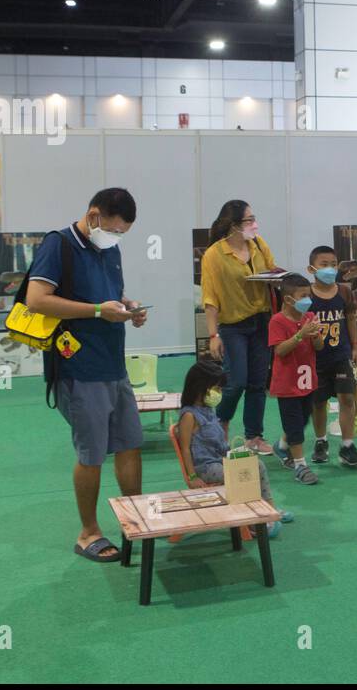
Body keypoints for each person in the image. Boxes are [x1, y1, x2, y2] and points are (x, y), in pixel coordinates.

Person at [25, 188, 148, 563]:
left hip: (113, 363)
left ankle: (136, 518)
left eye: (123, 233)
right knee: (92, 452)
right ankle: (88, 533)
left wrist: (129, 307)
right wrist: (97, 311)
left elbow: (113, 294)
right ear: (93, 215)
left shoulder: (110, 249)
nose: (116, 237)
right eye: (113, 229)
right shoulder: (58, 244)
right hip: (77, 367)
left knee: (129, 443)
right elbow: (37, 299)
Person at [176, 359, 292, 537]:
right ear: (200, 386)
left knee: (257, 465)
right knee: (240, 475)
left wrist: (239, 454)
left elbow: (220, 444)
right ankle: (252, 521)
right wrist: (192, 477)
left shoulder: (209, 410)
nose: (219, 392)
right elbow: (185, 449)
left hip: (221, 460)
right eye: (216, 388)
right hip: (206, 467)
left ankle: (269, 509)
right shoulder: (189, 416)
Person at [199, 199, 278, 453]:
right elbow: (209, 298)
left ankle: (254, 436)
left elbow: (272, 270)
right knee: (236, 381)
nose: (254, 224)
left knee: (257, 382)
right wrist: (213, 334)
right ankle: (219, 422)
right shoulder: (214, 255)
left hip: (262, 321)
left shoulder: (258, 244)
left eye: (254, 219)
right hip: (233, 326)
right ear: (233, 225)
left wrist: (277, 278)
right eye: (248, 220)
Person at [306, 246, 357, 467]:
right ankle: (321, 441)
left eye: (333, 264)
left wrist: (355, 347)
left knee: (347, 399)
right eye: (324, 264)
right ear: (312, 268)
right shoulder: (306, 295)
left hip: (341, 355)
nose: (329, 269)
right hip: (316, 359)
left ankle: (348, 445)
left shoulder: (344, 292)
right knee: (318, 402)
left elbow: (350, 319)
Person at [269, 274, 324, 485]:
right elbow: (280, 350)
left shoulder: (309, 316)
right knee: (294, 424)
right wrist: (300, 335)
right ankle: (301, 465)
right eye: (303, 296)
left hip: (307, 381)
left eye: (308, 296)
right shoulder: (277, 321)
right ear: (288, 299)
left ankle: (282, 446)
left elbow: (319, 347)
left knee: (303, 420)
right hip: (287, 384)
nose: (307, 300)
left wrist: (316, 335)